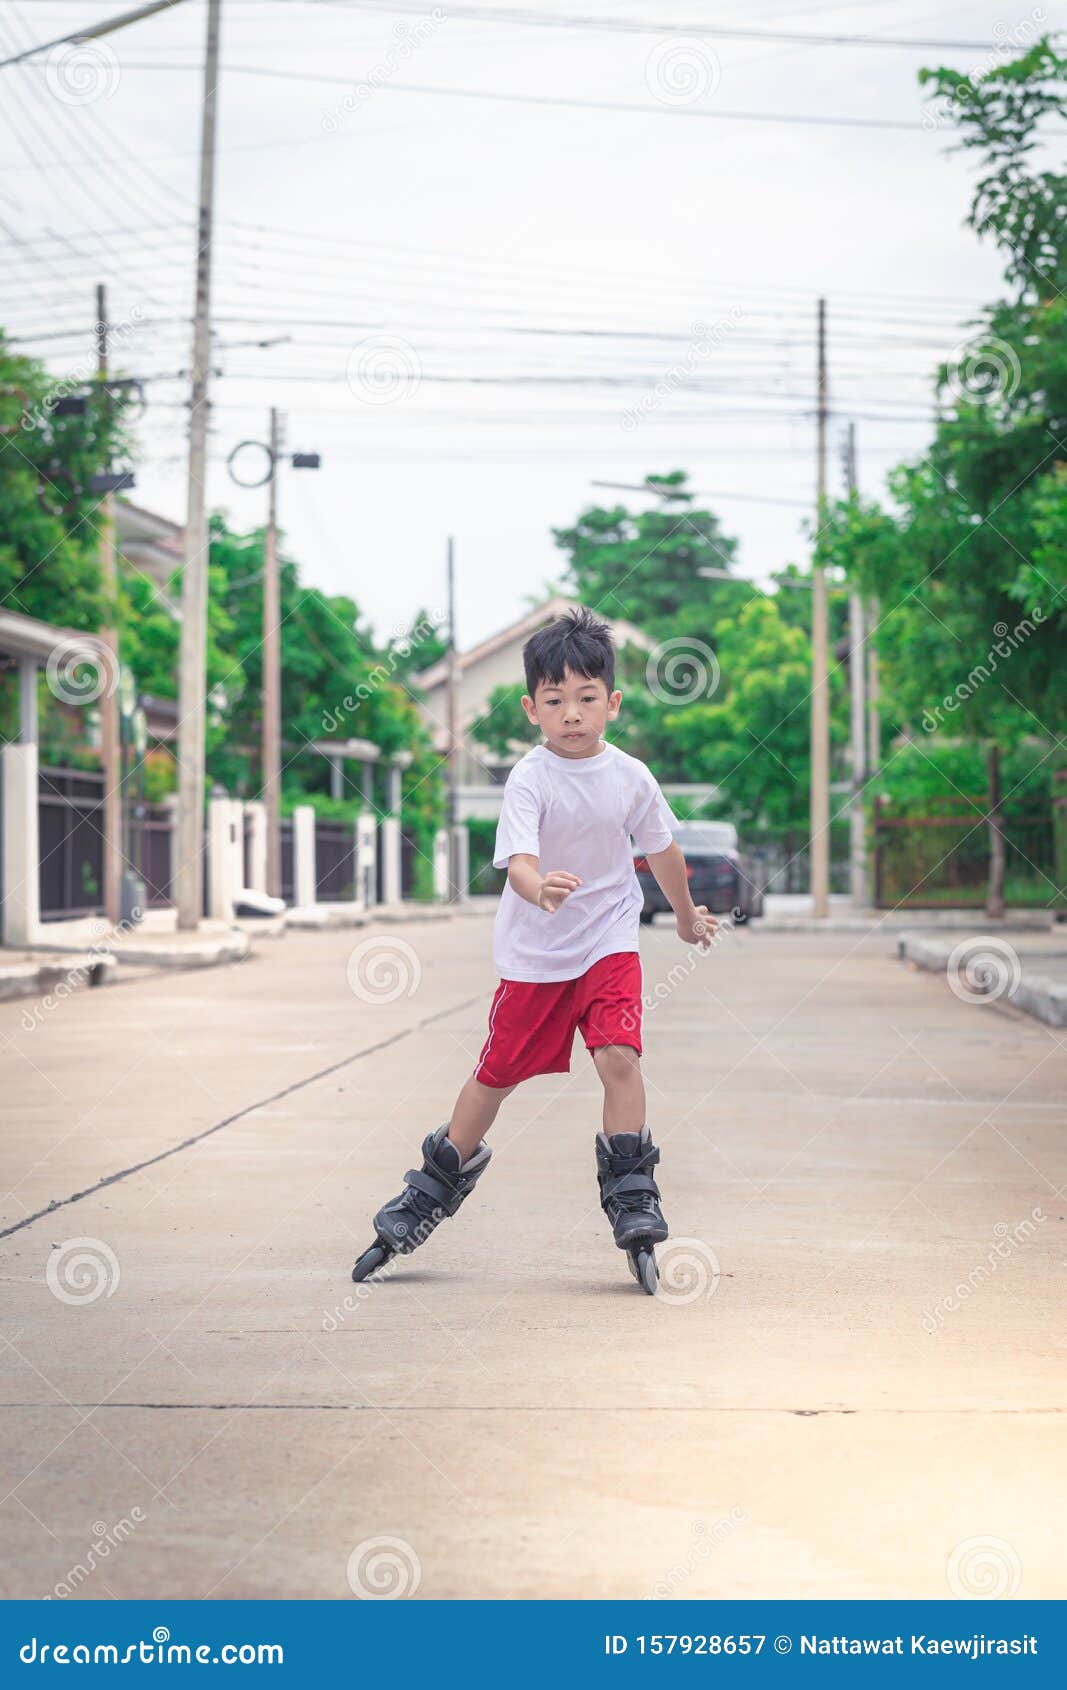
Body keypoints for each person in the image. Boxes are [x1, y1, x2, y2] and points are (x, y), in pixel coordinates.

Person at [351, 605, 716, 1292]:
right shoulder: (529, 777)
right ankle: (430, 1187)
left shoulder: (631, 776)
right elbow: (515, 861)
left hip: (608, 937)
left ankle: (632, 1188)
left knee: (617, 1053)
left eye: (585, 699)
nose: (571, 714)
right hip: (536, 955)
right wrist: (535, 886)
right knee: (496, 1077)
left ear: (612, 702)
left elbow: (662, 850)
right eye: (555, 701)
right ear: (531, 708)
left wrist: (688, 918)